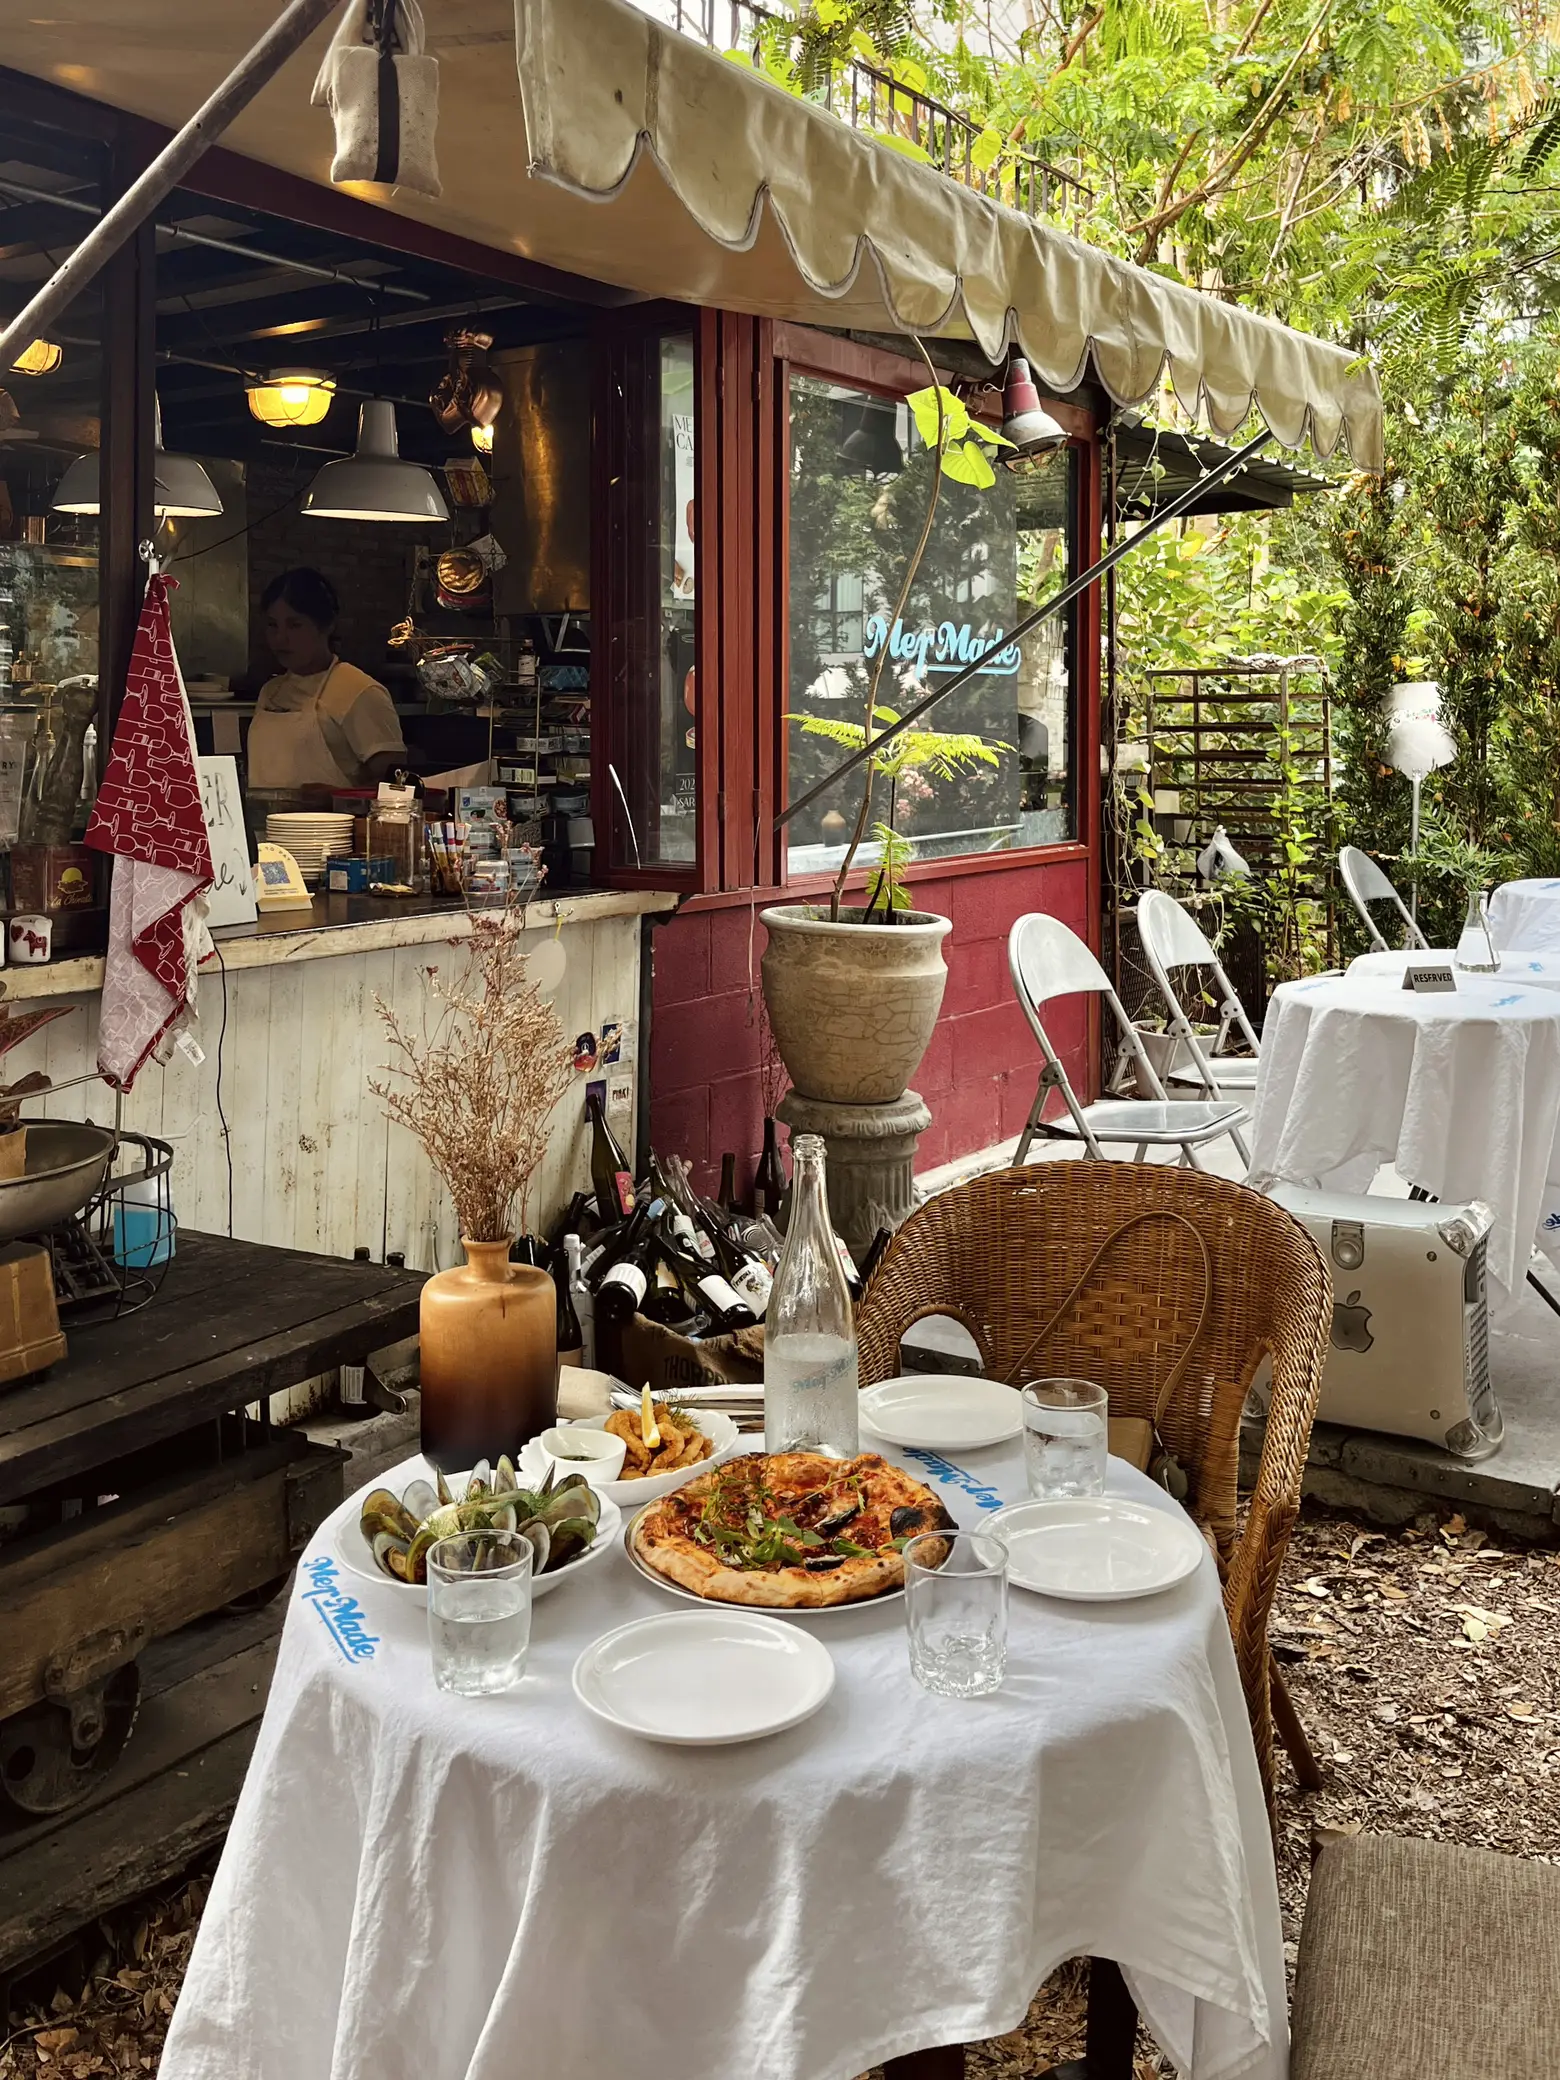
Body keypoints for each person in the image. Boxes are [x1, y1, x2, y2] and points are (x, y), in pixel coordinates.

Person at [247, 568, 410, 790]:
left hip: (331, 825)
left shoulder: (359, 691)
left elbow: (396, 784)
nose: (280, 638)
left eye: (295, 625)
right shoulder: (271, 691)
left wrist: (338, 798)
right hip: (264, 823)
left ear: (326, 626)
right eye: (272, 625)